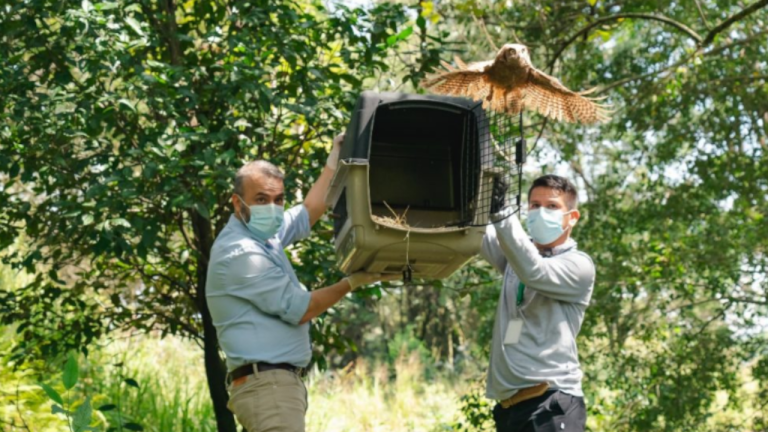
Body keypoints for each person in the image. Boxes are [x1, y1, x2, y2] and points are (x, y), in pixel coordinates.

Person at [206, 134, 396, 432]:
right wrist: (354, 281)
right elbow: (301, 308)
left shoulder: (262, 236)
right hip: (267, 388)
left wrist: (334, 159)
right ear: (237, 203)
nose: (272, 208)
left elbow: (309, 211)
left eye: (278, 200)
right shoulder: (241, 253)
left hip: (272, 386)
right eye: (261, 200)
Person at [481, 174, 596, 432]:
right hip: (509, 409)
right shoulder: (516, 256)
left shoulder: (579, 265)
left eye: (552, 206)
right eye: (535, 205)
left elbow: (534, 271)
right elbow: (476, 234)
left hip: (552, 406)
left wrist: (500, 210)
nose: (541, 212)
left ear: (572, 217)